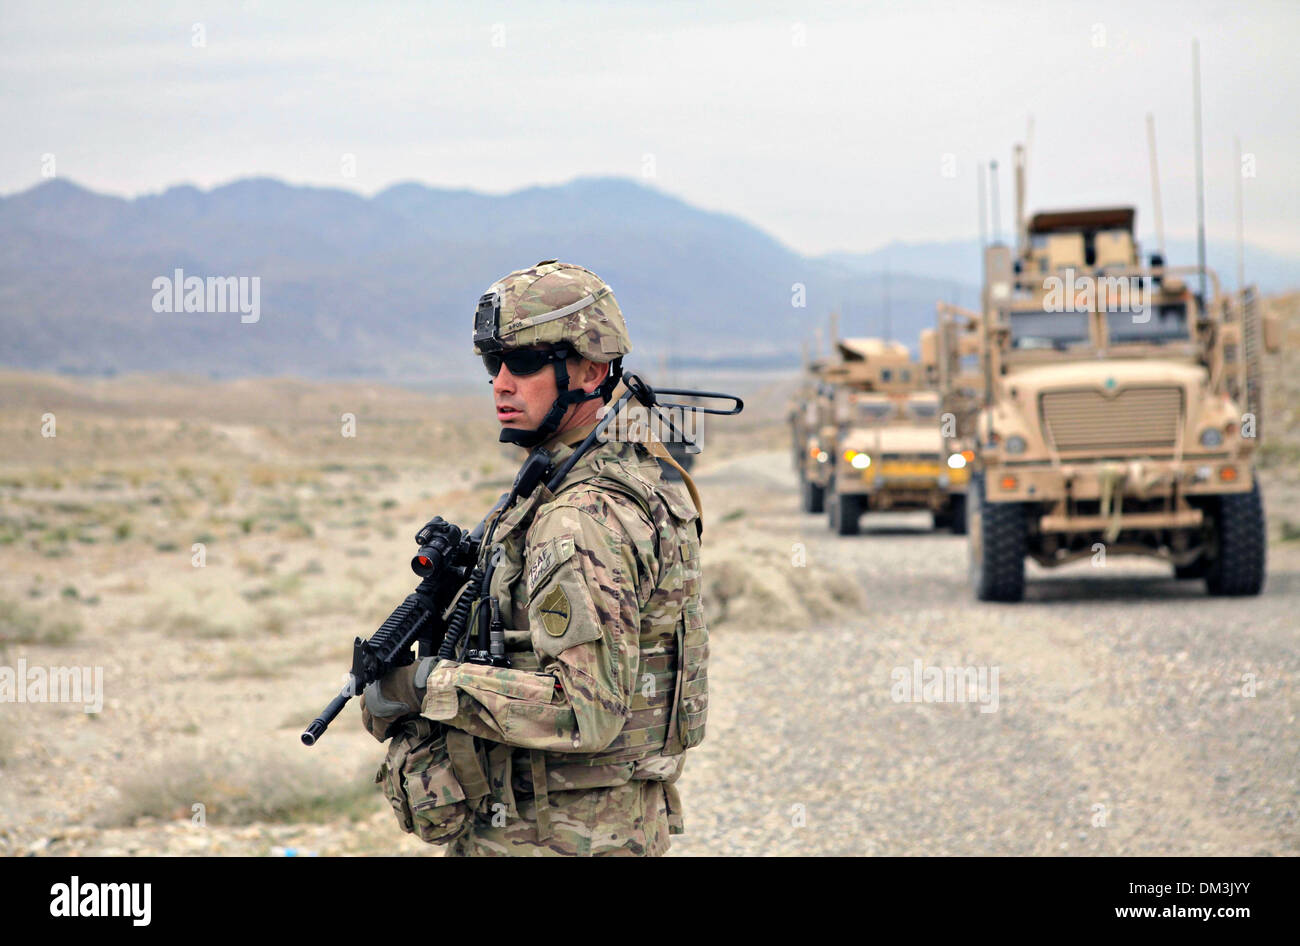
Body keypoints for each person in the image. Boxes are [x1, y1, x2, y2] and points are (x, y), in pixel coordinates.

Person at [360, 260, 708, 856]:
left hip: (553, 835)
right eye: (493, 364)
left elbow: (585, 710)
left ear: (592, 370)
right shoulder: (622, 472)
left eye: (523, 363)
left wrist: (427, 684)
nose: (500, 382)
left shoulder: (579, 517)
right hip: (590, 828)